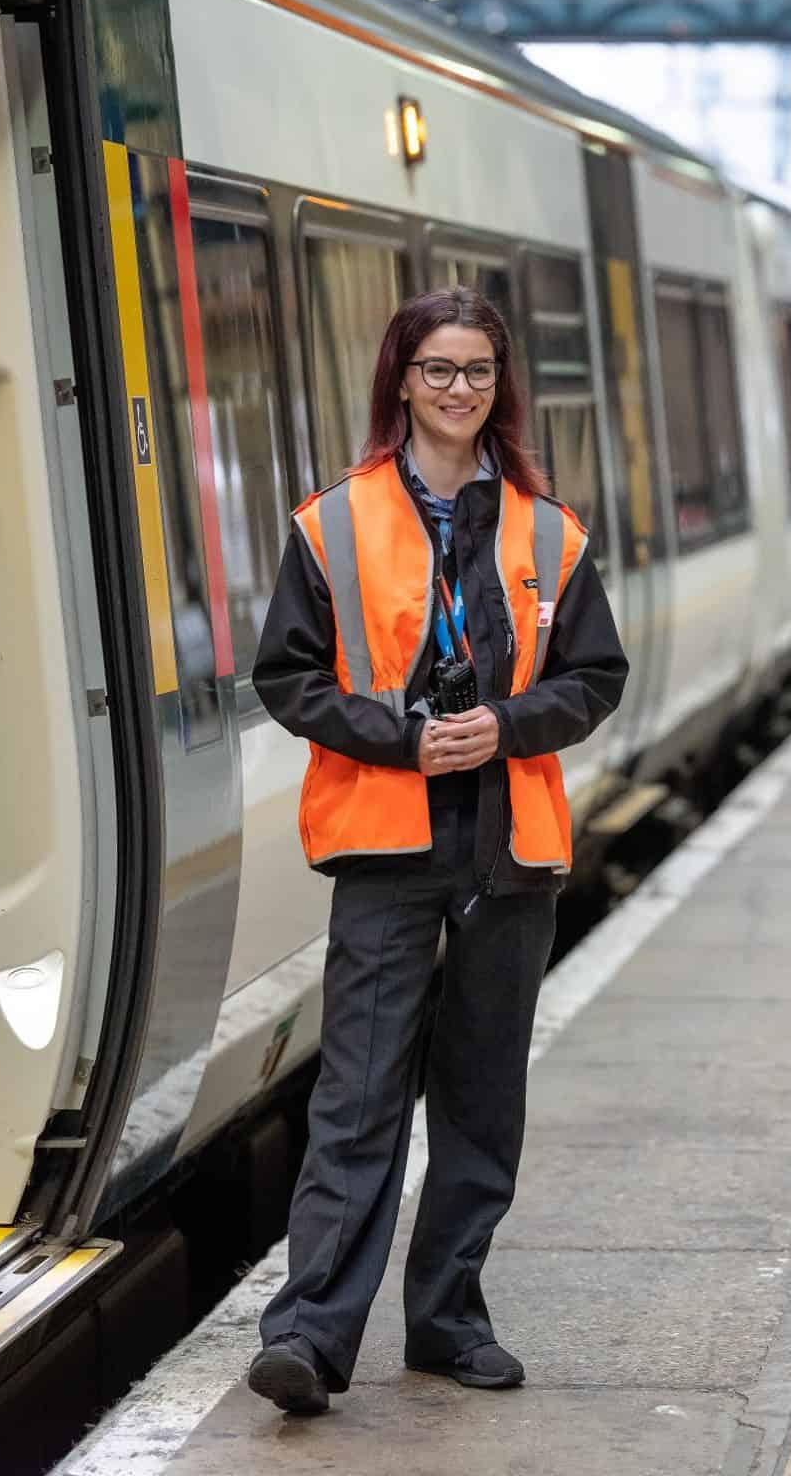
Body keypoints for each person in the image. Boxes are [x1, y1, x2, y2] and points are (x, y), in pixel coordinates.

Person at [246, 288, 627, 1417]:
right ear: (399, 381)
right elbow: (288, 678)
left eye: (476, 372)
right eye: (436, 370)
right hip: (386, 850)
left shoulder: (548, 532)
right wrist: (404, 739)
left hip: (510, 855)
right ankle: (309, 1337)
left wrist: (502, 728)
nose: (458, 390)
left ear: (497, 387)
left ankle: (448, 1322)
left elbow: (594, 680)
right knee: (357, 1102)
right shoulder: (332, 524)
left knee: (478, 1104)